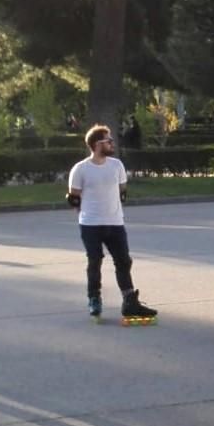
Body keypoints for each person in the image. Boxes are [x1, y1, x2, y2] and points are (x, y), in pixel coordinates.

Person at [67, 125, 157, 323]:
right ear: (96, 145)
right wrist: (87, 214)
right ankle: (94, 299)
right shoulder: (80, 169)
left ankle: (129, 301)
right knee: (95, 260)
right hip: (90, 224)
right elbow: (74, 199)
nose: (112, 143)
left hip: (115, 222)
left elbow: (122, 192)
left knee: (124, 261)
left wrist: (113, 210)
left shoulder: (116, 165)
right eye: (108, 141)